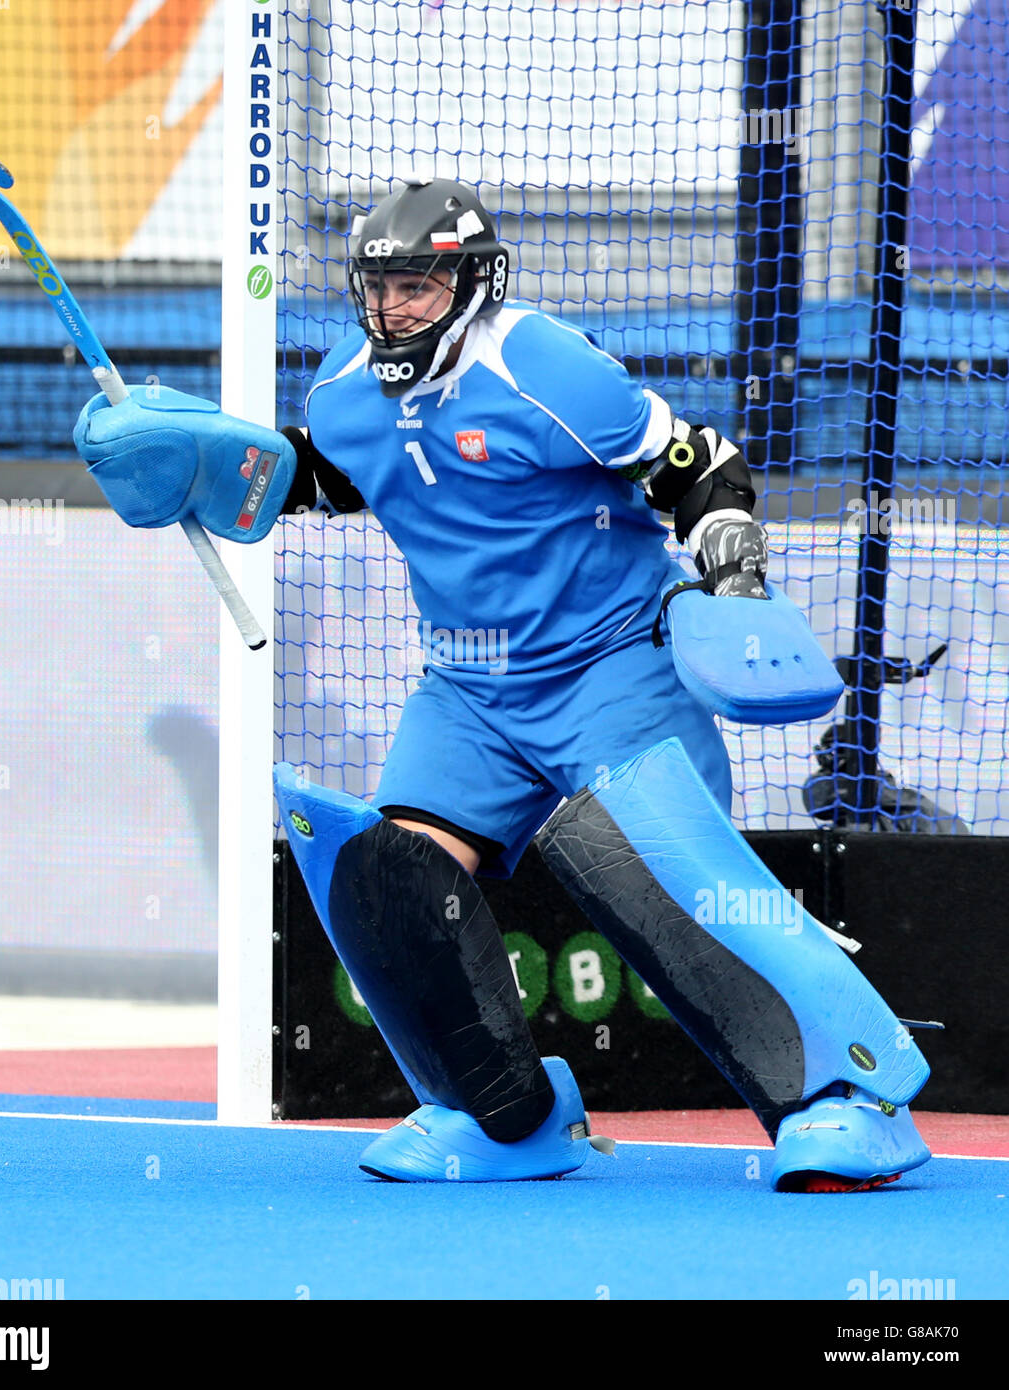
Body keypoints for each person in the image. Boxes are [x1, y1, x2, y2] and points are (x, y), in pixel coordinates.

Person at [75, 177, 932, 1191]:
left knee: (660, 874)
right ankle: (504, 1118)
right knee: (386, 876)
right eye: (381, 287)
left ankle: (849, 1096)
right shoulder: (343, 387)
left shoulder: (540, 364)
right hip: (468, 689)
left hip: (612, 661)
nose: (395, 307)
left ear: (470, 283)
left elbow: (694, 463)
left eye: (421, 286)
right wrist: (191, 463)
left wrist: (733, 574)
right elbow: (323, 475)